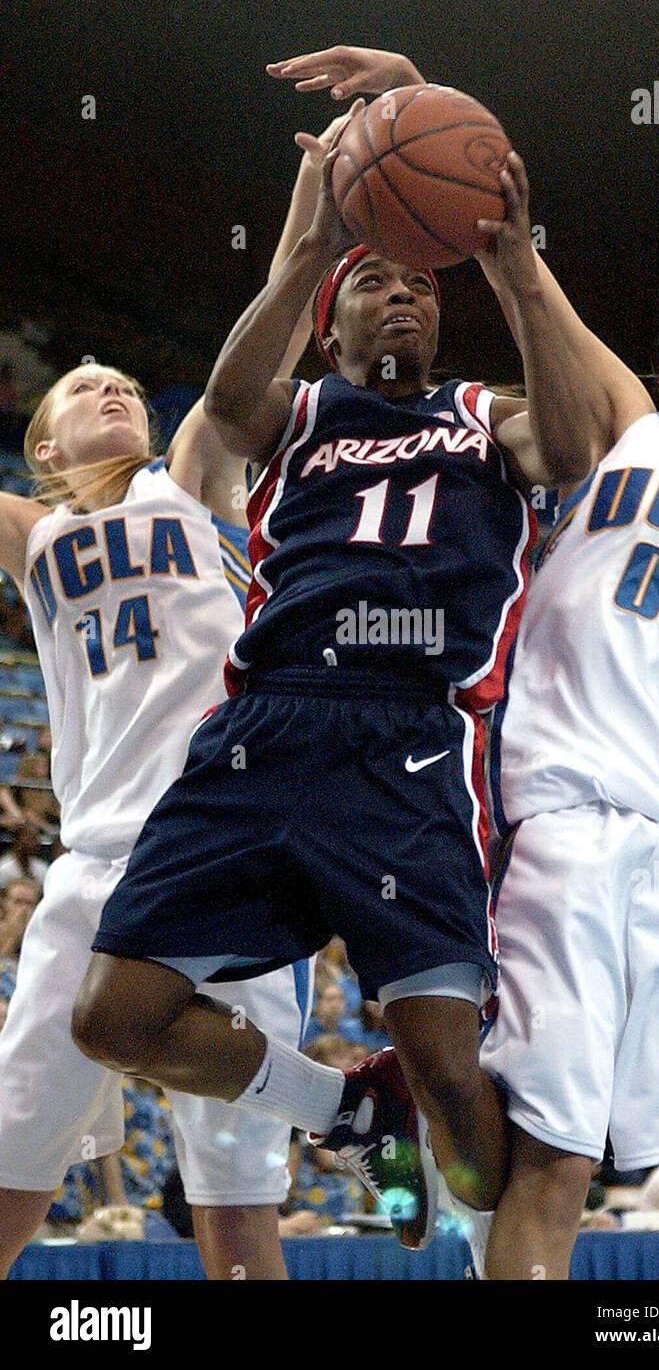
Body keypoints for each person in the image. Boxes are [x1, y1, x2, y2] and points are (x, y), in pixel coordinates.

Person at [71, 61, 591, 1251]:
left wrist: (510, 269)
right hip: (265, 730)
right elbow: (227, 389)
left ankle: (479, 1240)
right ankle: (349, 1114)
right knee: (116, 1016)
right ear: (333, 319)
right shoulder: (291, 415)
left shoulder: (483, 411)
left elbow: (570, 447)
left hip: (414, 738)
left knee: (455, 1081)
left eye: (420, 284)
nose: (403, 294)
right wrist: (310, 246)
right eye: (377, 282)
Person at [472, 152, 659, 1280]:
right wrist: (510, 245)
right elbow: (539, 308)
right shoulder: (632, 432)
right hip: (577, 818)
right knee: (547, 1159)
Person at [0, 363, 314, 1282]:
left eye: (129, 385)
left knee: (235, 1199)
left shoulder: (189, 479)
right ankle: (341, 1106)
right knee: (13, 1156)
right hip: (95, 867)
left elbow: (258, 346)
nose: (115, 389)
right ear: (44, 445)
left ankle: (339, 1110)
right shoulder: (35, 533)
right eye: (84, 385)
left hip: (228, 853)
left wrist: (320, 228)